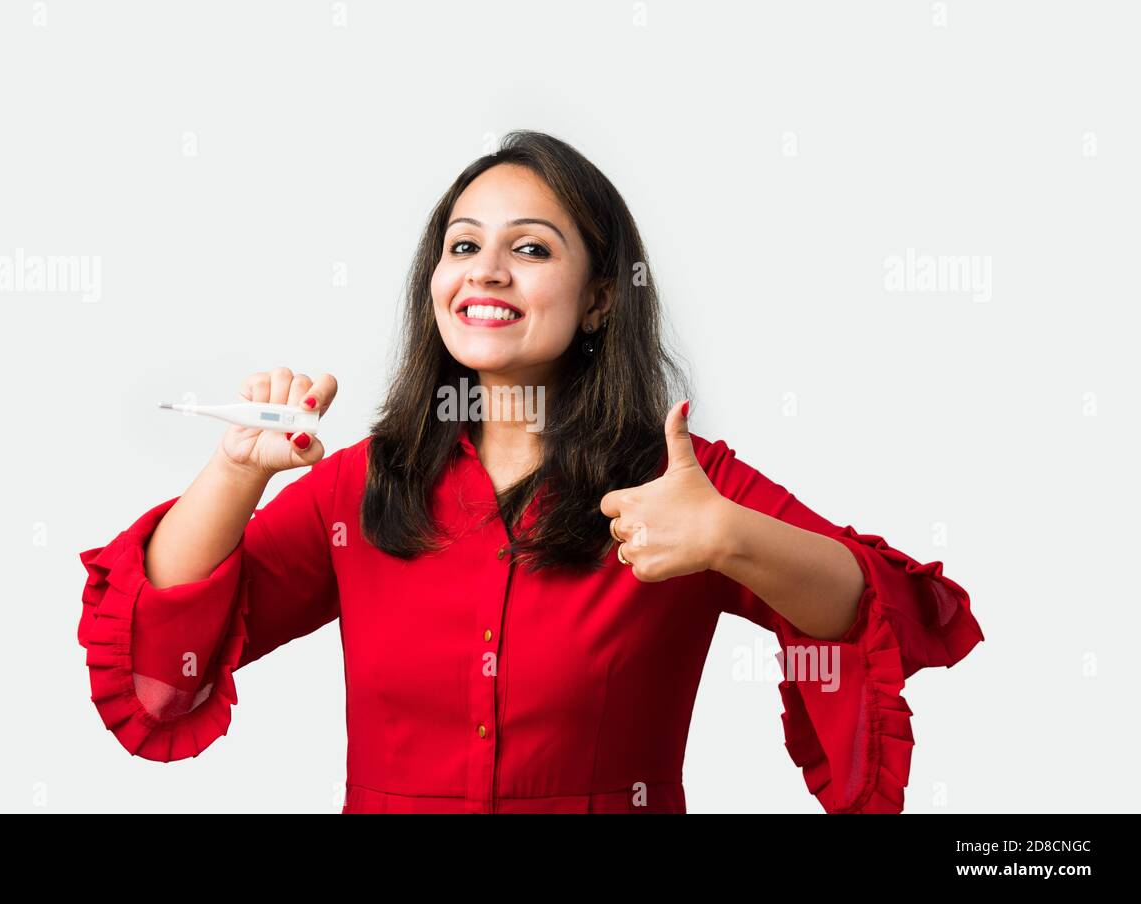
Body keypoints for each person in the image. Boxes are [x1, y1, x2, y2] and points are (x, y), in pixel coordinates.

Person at [77, 130, 984, 813]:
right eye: (464, 246)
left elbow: (872, 613)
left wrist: (732, 538)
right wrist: (239, 471)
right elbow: (167, 677)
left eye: (533, 248)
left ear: (599, 299)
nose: (488, 271)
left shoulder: (680, 484)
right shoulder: (361, 487)